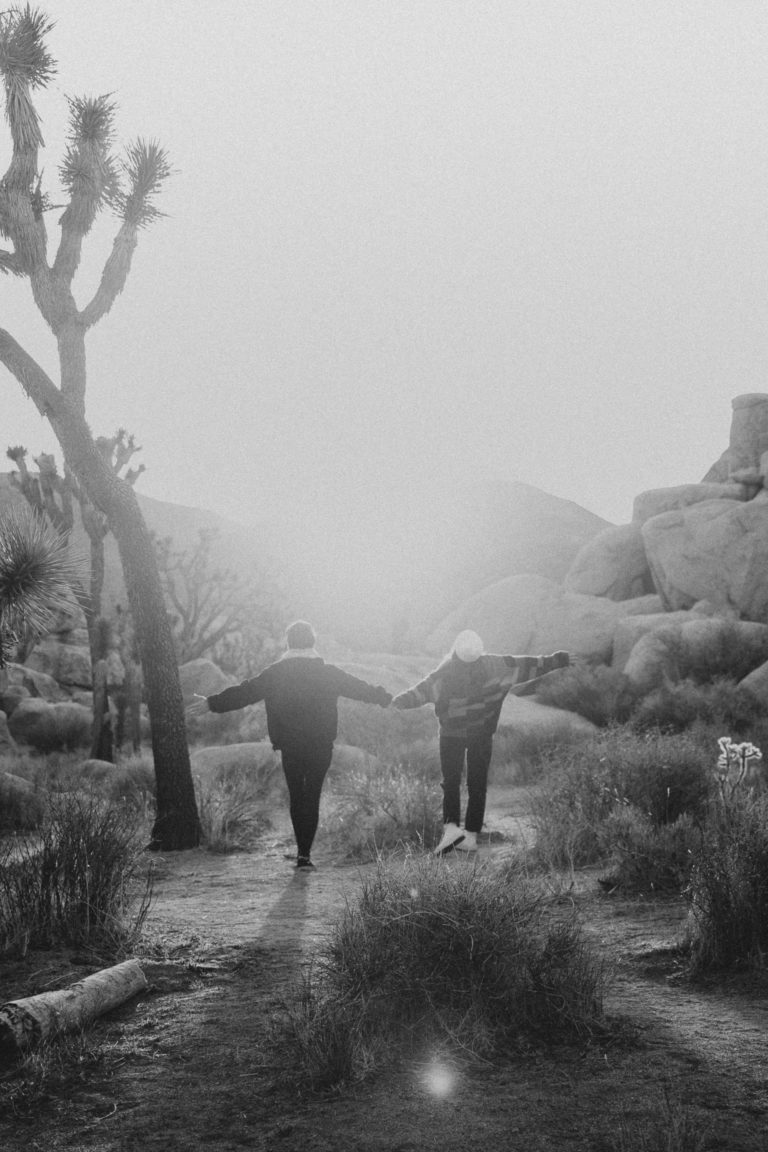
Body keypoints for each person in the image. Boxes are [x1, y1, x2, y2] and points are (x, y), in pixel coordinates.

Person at [186, 620, 392, 869]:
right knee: (312, 795)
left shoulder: (276, 673)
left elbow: (245, 692)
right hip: (320, 745)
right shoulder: (327, 672)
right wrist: (385, 698)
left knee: (297, 795)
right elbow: (359, 688)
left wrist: (212, 703)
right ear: (313, 642)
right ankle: (306, 853)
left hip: (291, 745)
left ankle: (301, 855)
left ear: (289, 643)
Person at [392, 630, 571, 855]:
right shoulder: (498, 666)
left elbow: (419, 693)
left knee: (450, 782)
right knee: (477, 785)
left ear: (455, 649)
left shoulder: (444, 673)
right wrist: (558, 660)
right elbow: (530, 665)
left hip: (451, 736)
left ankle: (451, 829)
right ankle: (471, 837)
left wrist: (395, 702)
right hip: (481, 735)